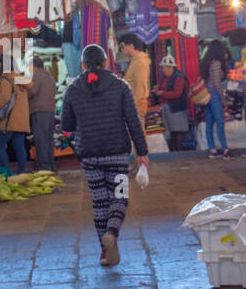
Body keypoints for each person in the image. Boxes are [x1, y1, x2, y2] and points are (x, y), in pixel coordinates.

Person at [61, 44, 150, 267]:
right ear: (107, 62)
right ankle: (112, 233)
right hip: (117, 155)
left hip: (89, 156)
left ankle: (104, 251)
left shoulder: (73, 89)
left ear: (82, 65)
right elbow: (133, 121)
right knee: (119, 196)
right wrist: (143, 153)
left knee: (100, 202)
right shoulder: (121, 86)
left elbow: (67, 124)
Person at [0, 63, 30, 175]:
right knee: (19, 147)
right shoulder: (20, 78)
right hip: (21, 120)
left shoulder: (6, 79)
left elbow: (5, 98)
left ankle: (6, 172)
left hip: (9, 119)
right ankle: (22, 173)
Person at [200, 38, 232, 157]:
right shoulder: (217, 64)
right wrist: (224, 101)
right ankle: (225, 149)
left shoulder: (207, 62)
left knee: (209, 122)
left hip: (206, 94)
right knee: (220, 122)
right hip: (214, 95)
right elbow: (217, 84)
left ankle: (212, 148)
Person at [153, 53, 190, 151]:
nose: (163, 70)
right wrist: (158, 88)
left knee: (178, 131)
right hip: (169, 108)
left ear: (171, 68)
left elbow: (177, 94)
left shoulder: (179, 77)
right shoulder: (166, 77)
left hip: (177, 109)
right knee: (173, 131)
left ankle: (179, 152)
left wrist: (162, 93)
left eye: (165, 68)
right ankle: (175, 151)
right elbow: (166, 88)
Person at [26, 56, 57, 171]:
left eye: (29, 66)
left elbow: (32, 91)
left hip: (39, 111)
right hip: (49, 111)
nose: (28, 69)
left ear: (33, 66)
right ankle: (51, 165)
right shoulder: (49, 76)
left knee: (41, 140)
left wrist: (24, 91)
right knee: (48, 140)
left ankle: (44, 167)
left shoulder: (37, 75)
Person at [118, 33, 152, 124]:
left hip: (136, 106)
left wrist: (133, 109)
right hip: (133, 105)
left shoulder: (140, 62)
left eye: (122, 46)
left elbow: (140, 87)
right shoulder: (134, 61)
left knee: (138, 135)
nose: (121, 49)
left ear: (131, 46)